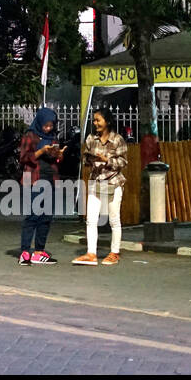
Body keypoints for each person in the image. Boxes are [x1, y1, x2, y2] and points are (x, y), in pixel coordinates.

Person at [73, 107, 128, 266]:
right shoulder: (91, 138)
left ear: (107, 121)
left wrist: (106, 160)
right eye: (94, 120)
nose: (95, 123)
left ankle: (114, 252)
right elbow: (85, 160)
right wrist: (90, 159)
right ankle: (91, 253)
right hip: (95, 181)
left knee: (114, 219)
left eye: (98, 120)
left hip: (113, 182)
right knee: (90, 219)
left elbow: (123, 162)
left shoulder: (118, 140)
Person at [18, 107, 63, 265]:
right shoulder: (30, 136)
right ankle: (24, 252)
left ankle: (39, 251)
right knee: (33, 215)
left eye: (51, 125)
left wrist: (58, 155)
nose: (48, 128)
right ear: (40, 122)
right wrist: (41, 151)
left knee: (46, 217)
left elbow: (56, 160)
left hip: (50, 179)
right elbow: (24, 158)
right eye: (46, 125)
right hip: (34, 179)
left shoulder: (52, 137)